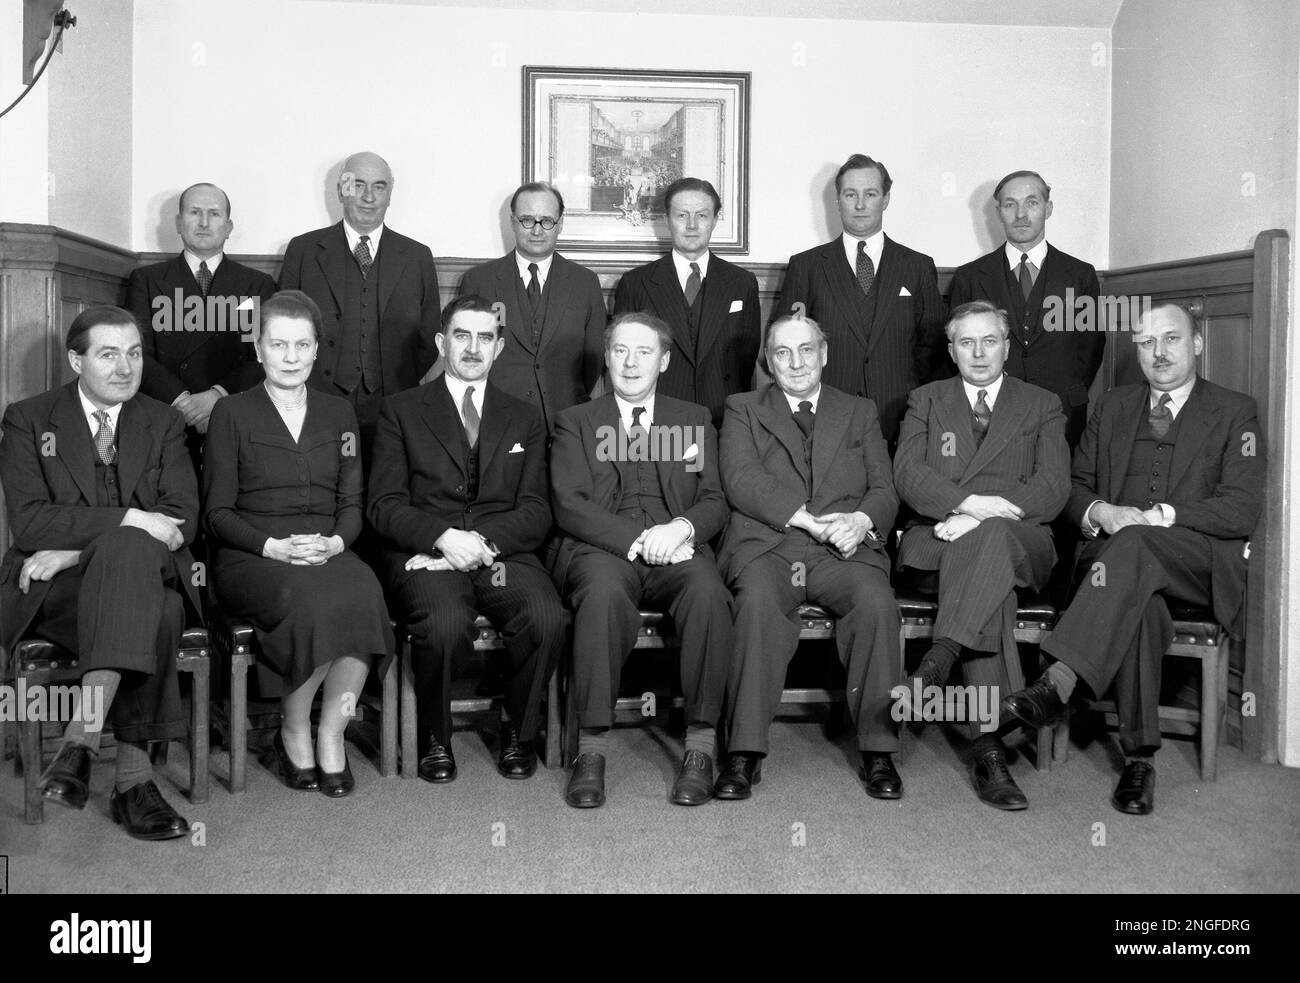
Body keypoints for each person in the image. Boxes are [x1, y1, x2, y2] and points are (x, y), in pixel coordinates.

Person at [1001, 303, 1264, 815]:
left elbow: (1241, 509)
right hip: (1114, 567)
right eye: (1146, 343)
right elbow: (1073, 490)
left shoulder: (1236, 411)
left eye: (1170, 339)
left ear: (1197, 345)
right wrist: (1103, 511)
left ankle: (1058, 679)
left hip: (1196, 561)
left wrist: (1159, 514)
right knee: (1140, 605)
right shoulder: (1112, 406)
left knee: (1138, 543)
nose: (1159, 352)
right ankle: (1140, 759)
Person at [0, 305, 202, 840]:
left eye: (134, 353)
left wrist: (76, 550)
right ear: (76, 360)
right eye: (108, 354)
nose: (125, 367)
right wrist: (131, 518)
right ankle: (134, 785)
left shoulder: (163, 421)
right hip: (58, 593)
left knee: (130, 562)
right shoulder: (29, 419)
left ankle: (79, 742)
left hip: (104, 568)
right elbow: (30, 524)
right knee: (157, 613)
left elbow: (181, 520)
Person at [203, 290, 395, 798]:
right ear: (258, 348)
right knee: (311, 600)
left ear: (316, 350)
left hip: (326, 547)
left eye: (301, 345)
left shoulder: (340, 414)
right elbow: (217, 514)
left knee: (364, 593)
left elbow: (353, 503)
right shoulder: (231, 413)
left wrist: (334, 543)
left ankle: (331, 731)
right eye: (278, 344)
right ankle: (293, 729)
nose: (291, 357)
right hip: (253, 556)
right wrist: (272, 547)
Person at [368, 296, 564, 783]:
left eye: (484, 338)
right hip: (425, 552)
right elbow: (383, 505)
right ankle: (436, 734)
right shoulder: (400, 411)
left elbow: (537, 509)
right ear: (442, 342)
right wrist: (442, 538)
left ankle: (518, 729)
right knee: (443, 621)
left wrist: (479, 543)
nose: (473, 348)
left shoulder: (525, 417)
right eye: (462, 336)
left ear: (498, 347)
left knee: (545, 616)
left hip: (500, 553)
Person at [714, 315, 902, 800]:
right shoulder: (742, 408)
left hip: (844, 550)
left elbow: (884, 486)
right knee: (755, 606)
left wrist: (861, 521)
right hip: (770, 545)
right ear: (768, 362)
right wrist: (805, 519)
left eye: (805, 350)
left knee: (878, 605)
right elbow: (740, 478)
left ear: (823, 353)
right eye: (782, 353)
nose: (796, 363)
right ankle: (744, 751)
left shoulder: (859, 410)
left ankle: (878, 749)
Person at [550, 311, 734, 809]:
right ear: (606, 358)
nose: (631, 364)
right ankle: (590, 751)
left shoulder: (692, 419)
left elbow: (714, 498)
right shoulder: (575, 422)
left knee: (708, 593)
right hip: (602, 548)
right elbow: (570, 504)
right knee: (603, 595)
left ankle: (699, 748)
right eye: (620, 352)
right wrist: (638, 538)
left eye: (644, 352)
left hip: (677, 544)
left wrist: (680, 528)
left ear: (665, 360)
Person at [892, 300, 1069, 810]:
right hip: (938, 539)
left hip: (1022, 539)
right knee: (991, 588)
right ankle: (989, 748)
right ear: (951, 350)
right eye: (965, 342)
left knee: (989, 542)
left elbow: (1054, 486)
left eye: (989, 340)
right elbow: (907, 474)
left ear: (1007, 346)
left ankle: (937, 661)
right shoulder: (926, 400)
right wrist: (967, 505)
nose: (978, 352)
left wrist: (988, 517)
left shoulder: (1042, 403)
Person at [278, 151, 440, 459]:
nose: (368, 196)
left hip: (392, 406)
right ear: (342, 190)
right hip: (316, 403)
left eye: (379, 186)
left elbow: (429, 336)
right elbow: (281, 329)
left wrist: (397, 381)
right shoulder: (303, 251)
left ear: (390, 195)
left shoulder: (417, 257)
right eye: (358, 185)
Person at [773, 154, 945, 445]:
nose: (861, 205)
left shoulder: (917, 266)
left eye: (871, 194)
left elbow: (935, 344)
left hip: (900, 418)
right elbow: (782, 343)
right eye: (851, 194)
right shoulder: (808, 266)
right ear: (838, 200)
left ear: (886, 199)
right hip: (826, 418)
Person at [948, 170, 1103, 449]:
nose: (1021, 214)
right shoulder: (970, 277)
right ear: (998, 212)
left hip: (1063, 412)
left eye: (1031, 203)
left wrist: (1069, 390)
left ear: (1048, 208)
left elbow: (1091, 346)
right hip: (991, 417)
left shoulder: (1081, 275)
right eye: (1010, 204)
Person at [125, 182, 276, 466]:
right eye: (195, 212)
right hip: (165, 417)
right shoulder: (146, 281)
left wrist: (217, 396)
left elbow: (261, 355)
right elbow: (136, 353)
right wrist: (182, 401)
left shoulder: (256, 285)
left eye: (214, 214)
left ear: (229, 227)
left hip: (233, 417)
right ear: (179, 223)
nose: (204, 222)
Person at [458, 182, 607, 432]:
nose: (537, 230)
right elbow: (466, 355)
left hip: (565, 423)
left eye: (546, 221)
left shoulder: (585, 283)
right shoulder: (478, 281)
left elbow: (594, 358)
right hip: (496, 422)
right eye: (527, 220)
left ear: (560, 223)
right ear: (513, 222)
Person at [613, 177, 760, 429]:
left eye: (702, 216)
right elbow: (624, 362)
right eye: (682, 215)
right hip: (657, 422)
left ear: (715, 220)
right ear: (667, 220)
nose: (692, 225)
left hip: (725, 421)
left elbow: (746, 359)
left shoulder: (742, 283)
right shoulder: (636, 283)